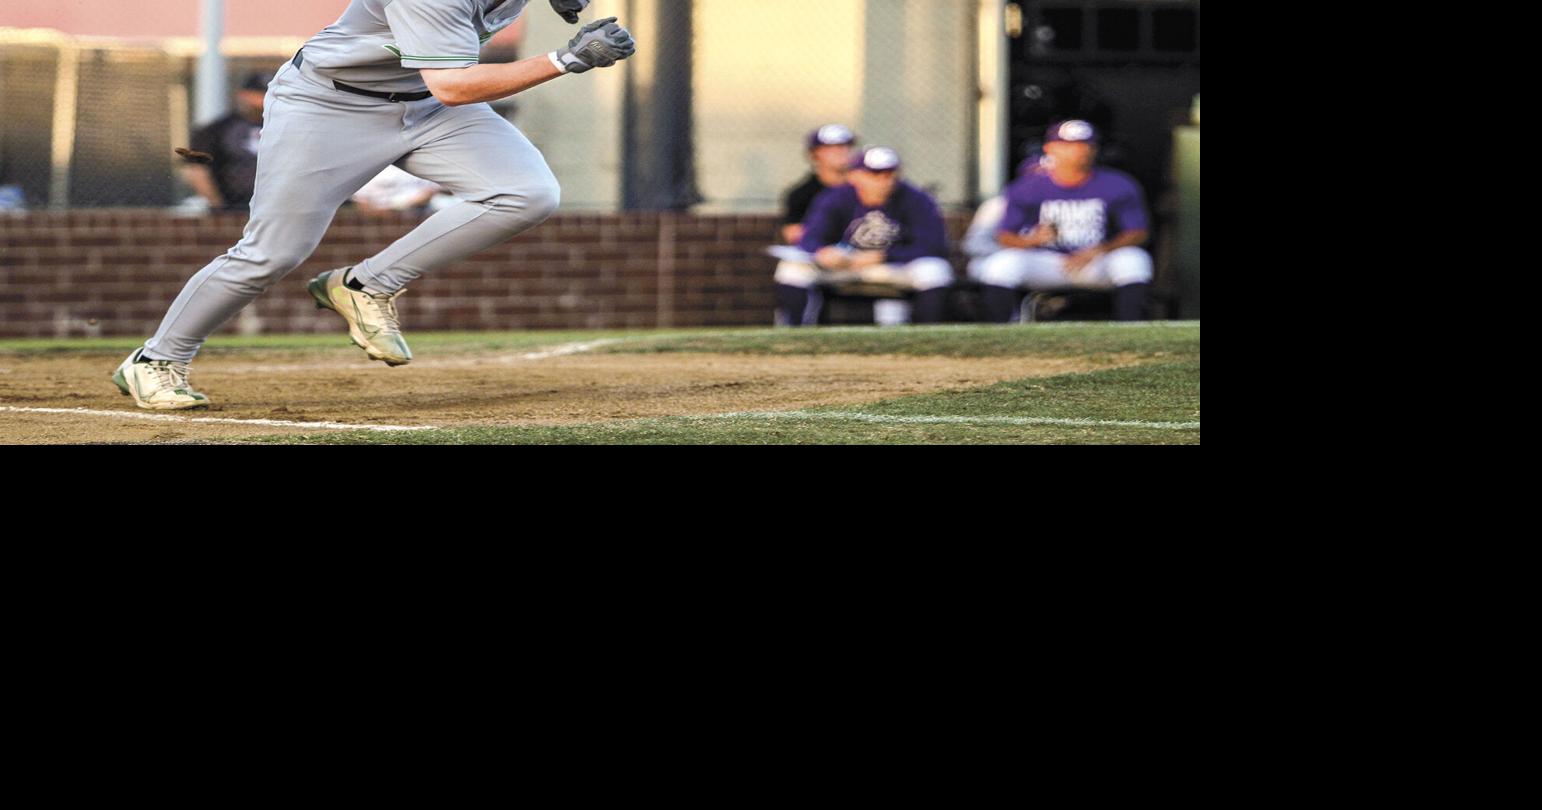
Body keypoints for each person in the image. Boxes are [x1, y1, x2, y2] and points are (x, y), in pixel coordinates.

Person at [111, 1, 635, 410]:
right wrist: (565, 59)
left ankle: (365, 285)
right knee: (272, 253)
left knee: (527, 193)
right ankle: (155, 360)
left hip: (423, 109)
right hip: (329, 105)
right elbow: (453, 86)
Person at [975, 120, 1153, 323]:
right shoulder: (1027, 187)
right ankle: (1001, 329)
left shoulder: (1118, 184)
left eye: (1085, 145)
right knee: (1000, 265)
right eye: (1068, 145)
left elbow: (1138, 232)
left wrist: (1101, 249)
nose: (1078, 151)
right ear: (1049, 148)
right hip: (1047, 260)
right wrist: (1031, 240)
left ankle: (1130, 327)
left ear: (1095, 149)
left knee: (1134, 260)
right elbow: (1004, 236)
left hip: (1095, 261)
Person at [773, 147, 954, 326]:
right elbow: (809, 238)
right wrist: (823, 252)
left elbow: (933, 245)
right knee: (791, 269)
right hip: (844, 265)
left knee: (935, 270)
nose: (884, 180)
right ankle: (795, 334)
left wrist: (883, 256)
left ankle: (926, 335)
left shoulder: (916, 199)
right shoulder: (835, 197)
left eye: (890, 173)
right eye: (875, 174)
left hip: (891, 266)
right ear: (854, 176)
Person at [183, 71, 271, 212]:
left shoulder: (287, 127)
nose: (264, 100)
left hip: (277, 209)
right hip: (232, 210)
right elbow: (196, 169)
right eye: (259, 95)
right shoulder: (219, 129)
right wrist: (219, 207)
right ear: (243, 95)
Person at [780, 124, 856, 245]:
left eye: (846, 146)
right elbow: (794, 236)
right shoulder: (801, 194)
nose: (841, 151)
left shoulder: (864, 189)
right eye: (830, 148)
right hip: (821, 252)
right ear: (814, 154)